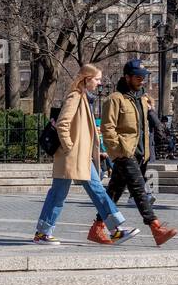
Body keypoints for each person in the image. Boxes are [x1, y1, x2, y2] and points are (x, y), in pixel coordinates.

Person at [34, 64, 138, 245]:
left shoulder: (83, 97)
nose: (99, 83)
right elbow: (63, 123)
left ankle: (115, 229)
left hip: (80, 157)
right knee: (59, 194)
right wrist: (69, 147)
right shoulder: (75, 96)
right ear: (87, 79)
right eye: (97, 79)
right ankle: (43, 233)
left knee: (93, 190)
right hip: (72, 156)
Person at [91, 60, 178, 246]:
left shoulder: (142, 99)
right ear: (127, 77)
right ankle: (156, 229)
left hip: (140, 153)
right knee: (140, 190)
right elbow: (107, 129)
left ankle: (97, 228)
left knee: (114, 191)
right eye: (138, 77)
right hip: (125, 153)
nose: (142, 81)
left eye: (144, 77)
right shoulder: (115, 99)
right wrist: (119, 151)